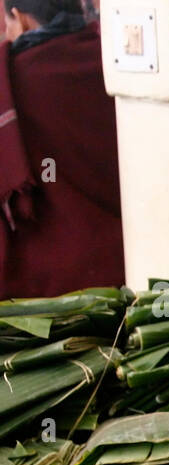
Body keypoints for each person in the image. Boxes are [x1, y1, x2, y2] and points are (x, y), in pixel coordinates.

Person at [0, 0, 124, 299]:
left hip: (49, 291)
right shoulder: (116, 62)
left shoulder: (16, 78)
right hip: (132, 263)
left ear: (20, 18)